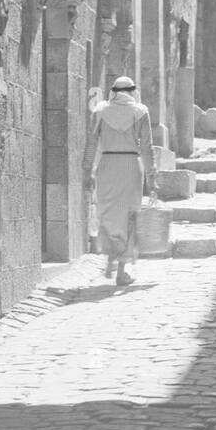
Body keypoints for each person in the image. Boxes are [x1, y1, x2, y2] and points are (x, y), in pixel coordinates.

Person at [86, 74, 157, 287]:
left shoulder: (100, 111)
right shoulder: (141, 112)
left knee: (107, 211)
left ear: (113, 92)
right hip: (130, 167)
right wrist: (152, 176)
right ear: (133, 91)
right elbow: (147, 147)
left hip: (107, 165)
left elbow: (91, 143)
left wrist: (86, 170)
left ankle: (111, 257)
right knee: (129, 216)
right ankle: (122, 270)